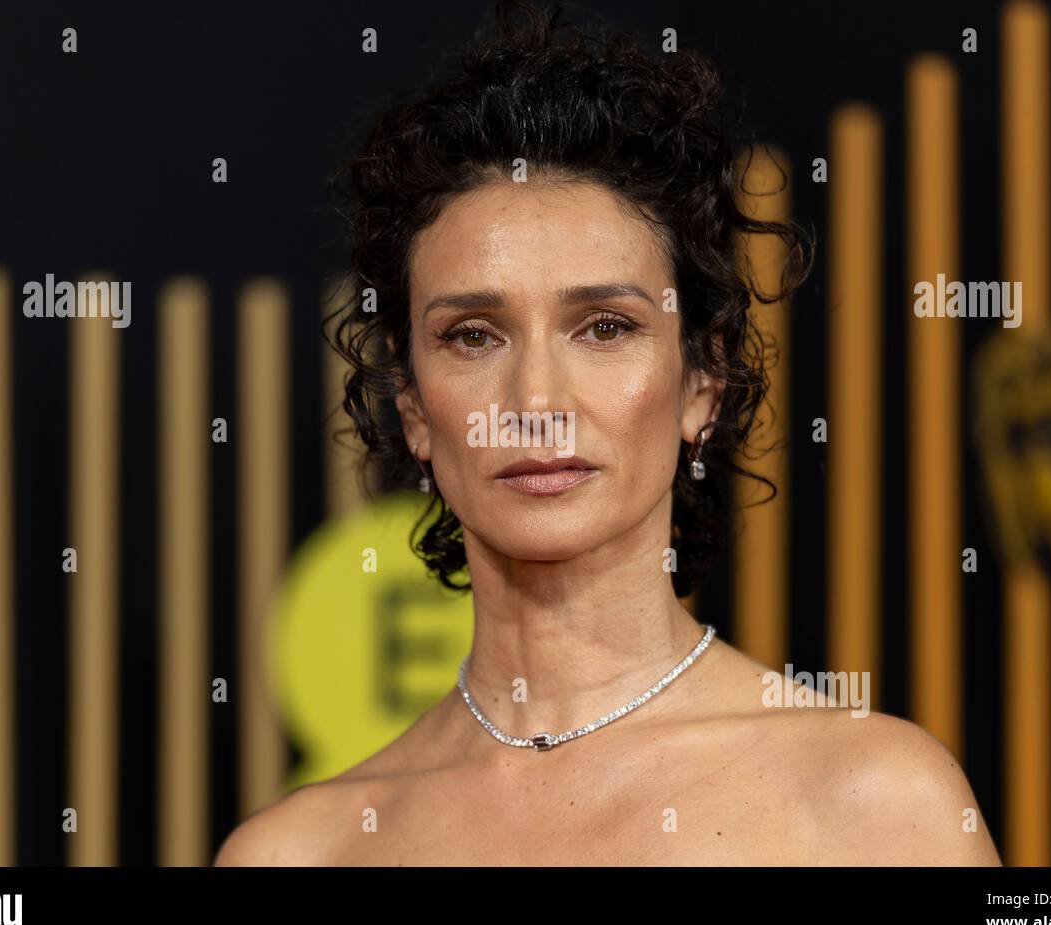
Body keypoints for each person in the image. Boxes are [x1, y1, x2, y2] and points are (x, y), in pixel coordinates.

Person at [215, 1, 1001, 866]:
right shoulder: (299, 852)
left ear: (703, 383)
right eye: (474, 334)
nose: (537, 397)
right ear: (413, 409)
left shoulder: (874, 802)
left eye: (605, 327)